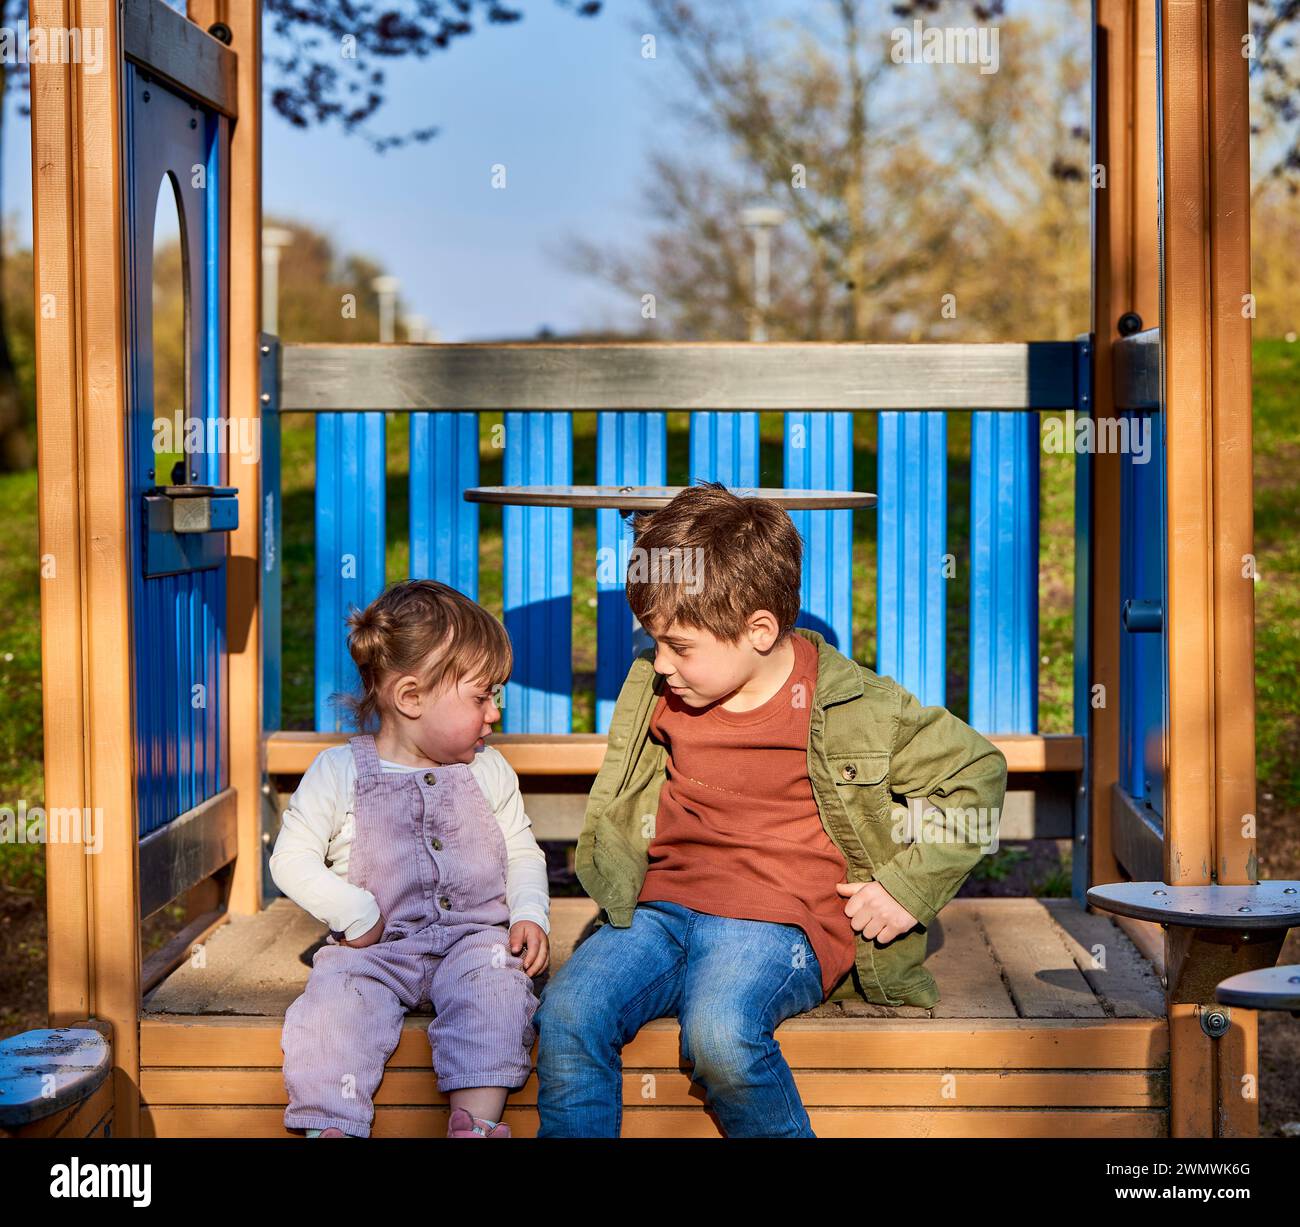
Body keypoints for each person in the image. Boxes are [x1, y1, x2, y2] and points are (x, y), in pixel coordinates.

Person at [534, 481, 1007, 1137]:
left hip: (777, 922)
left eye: (678, 645)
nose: (658, 661)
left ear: (758, 629)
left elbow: (976, 770)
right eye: (654, 640)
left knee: (721, 1031)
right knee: (567, 1011)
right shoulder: (660, 687)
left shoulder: (851, 703)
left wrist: (906, 886)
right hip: (662, 908)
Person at [273, 579, 550, 1138]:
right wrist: (353, 910)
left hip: (472, 939)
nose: (494, 713)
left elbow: (521, 849)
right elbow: (291, 859)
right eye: (481, 697)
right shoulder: (340, 771)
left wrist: (529, 913)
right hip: (377, 948)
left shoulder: (487, 771)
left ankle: (474, 1123)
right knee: (331, 1008)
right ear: (411, 698)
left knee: (498, 987)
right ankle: (333, 1125)